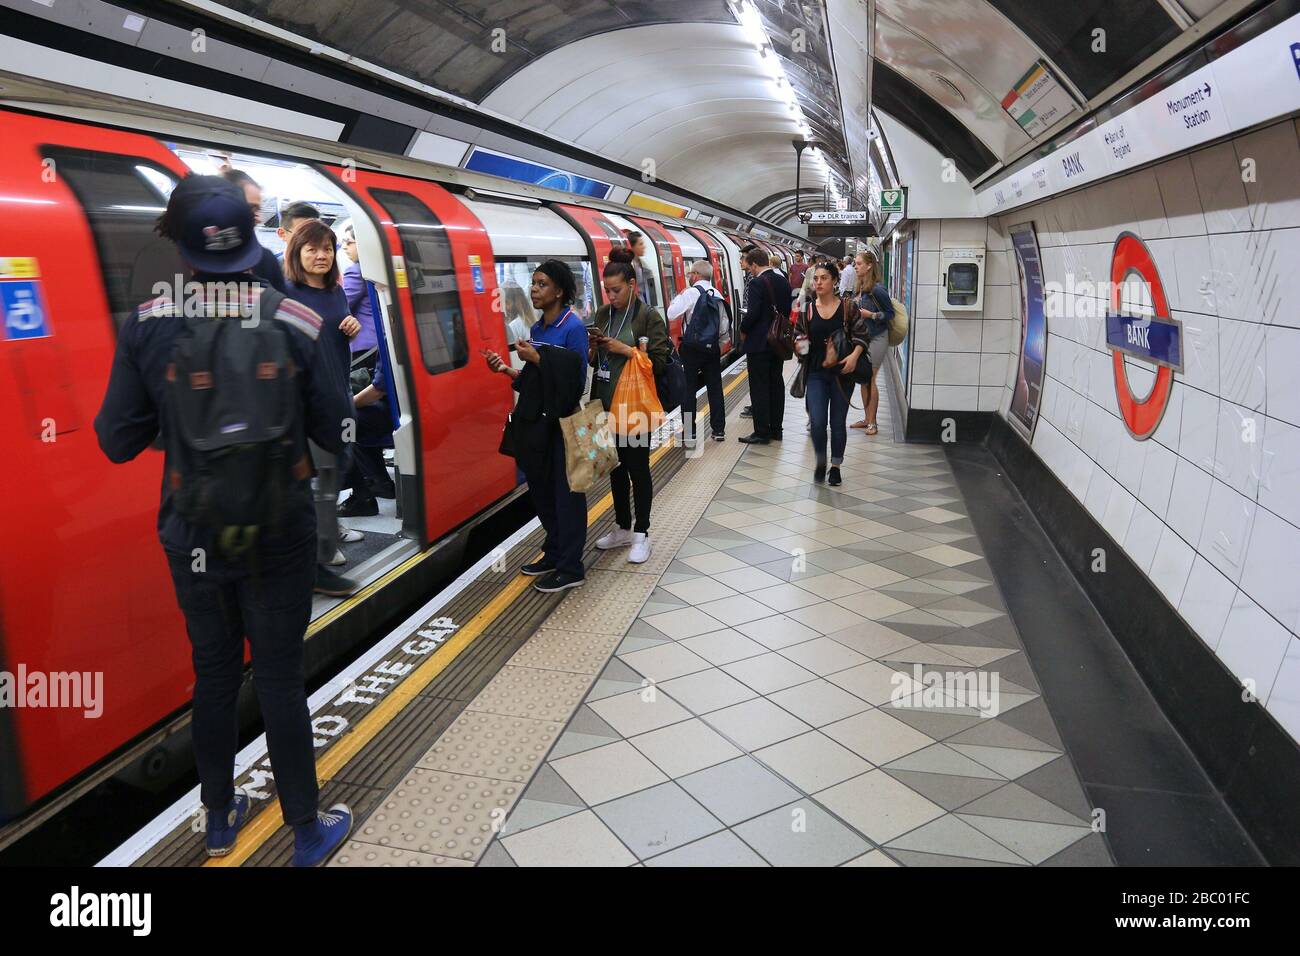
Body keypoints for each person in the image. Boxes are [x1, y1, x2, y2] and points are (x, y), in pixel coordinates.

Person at [93, 174, 355, 866]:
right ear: (251, 241)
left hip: (194, 535)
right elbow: (337, 428)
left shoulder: (147, 324)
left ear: (179, 247)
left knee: (212, 675)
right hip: (280, 532)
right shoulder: (297, 317)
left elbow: (115, 440)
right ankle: (307, 829)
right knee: (277, 675)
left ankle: (217, 820)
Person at [483, 260, 590, 592]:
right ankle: (555, 551)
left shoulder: (572, 328)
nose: (534, 290)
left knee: (567, 496)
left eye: (542, 284)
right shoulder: (537, 330)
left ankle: (572, 567)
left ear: (559, 290)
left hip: (565, 424)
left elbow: (576, 381)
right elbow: (533, 382)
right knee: (542, 493)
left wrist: (540, 360)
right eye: (533, 283)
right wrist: (506, 370)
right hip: (539, 425)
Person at [284, 219, 362, 595]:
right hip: (306, 401)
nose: (321, 255)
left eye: (327, 249)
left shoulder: (335, 292)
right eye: (312, 249)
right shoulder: (285, 293)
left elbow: (337, 335)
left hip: (339, 392)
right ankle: (318, 554)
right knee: (318, 480)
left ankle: (327, 538)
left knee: (336, 471)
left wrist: (350, 328)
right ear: (297, 253)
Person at [589, 247, 669, 564]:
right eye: (607, 290)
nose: (611, 296)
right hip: (606, 406)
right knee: (615, 470)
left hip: (634, 408)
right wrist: (594, 350)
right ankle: (622, 527)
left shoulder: (648, 317)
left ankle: (642, 533)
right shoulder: (602, 315)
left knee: (638, 470)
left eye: (617, 290)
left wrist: (625, 349)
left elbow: (660, 362)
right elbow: (594, 362)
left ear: (632, 285)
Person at [793, 260, 870, 486]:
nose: (818, 282)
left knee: (837, 423)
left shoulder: (848, 307)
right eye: (816, 278)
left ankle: (835, 466)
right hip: (816, 373)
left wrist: (854, 356)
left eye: (824, 278)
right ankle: (820, 460)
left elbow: (862, 335)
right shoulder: (806, 310)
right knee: (817, 421)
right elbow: (799, 336)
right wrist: (800, 346)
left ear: (835, 281)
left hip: (842, 376)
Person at [667, 260, 727, 447]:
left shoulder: (691, 293)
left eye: (690, 274)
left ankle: (690, 433)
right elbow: (725, 325)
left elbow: (671, 313)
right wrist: (716, 343)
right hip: (712, 349)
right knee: (715, 388)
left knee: (689, 390)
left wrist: (681, 295)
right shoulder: (717, 294)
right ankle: (718, 430)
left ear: (696, 275)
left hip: (691, 349)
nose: (689, 277)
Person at [738, 248, 792, 445]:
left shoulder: (757, 283)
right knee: (776, 385)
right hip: (778, 342)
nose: (749, 271)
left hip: (759, 343)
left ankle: (761, 432)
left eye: (749, 266)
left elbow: (752, 314)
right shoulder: (783, 281)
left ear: (754, 264)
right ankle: (777, 430)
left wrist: (743, 329)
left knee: (759, 387)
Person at [219, 168, 287, 293]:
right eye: (251, 208)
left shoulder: (265, 260)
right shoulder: (187, 256)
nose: (259, 219)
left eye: (258, 209)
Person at [851, 244, 895, 435]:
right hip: (863, 338)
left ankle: (873, 422)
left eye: (859, 264)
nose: (855, 267)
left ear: (869, 266)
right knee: (863, 379)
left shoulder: (878, 290)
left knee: (870, 378)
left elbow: (890, 314)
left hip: (878, 338)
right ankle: (867, 418)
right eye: (855, 264)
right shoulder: (861, 288)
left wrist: (871, 315)